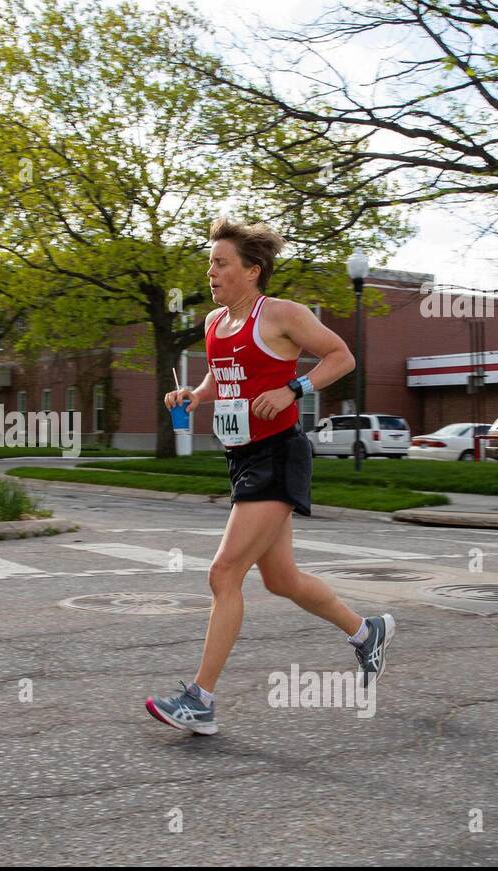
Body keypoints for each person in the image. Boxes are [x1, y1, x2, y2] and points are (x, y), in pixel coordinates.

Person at [145, 218, 396, 735]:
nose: (211, 271)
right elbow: (225, 377)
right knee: (281, 580)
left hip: (279, 453)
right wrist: (194, 394)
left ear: (252, 270)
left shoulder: (281, 314)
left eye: (221, 263)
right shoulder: (215, 323)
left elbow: (341, 356)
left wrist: (295, 390)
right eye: (210, 262)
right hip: (242, 457)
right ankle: (365, 631)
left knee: (223, 574)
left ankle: (200, 699)